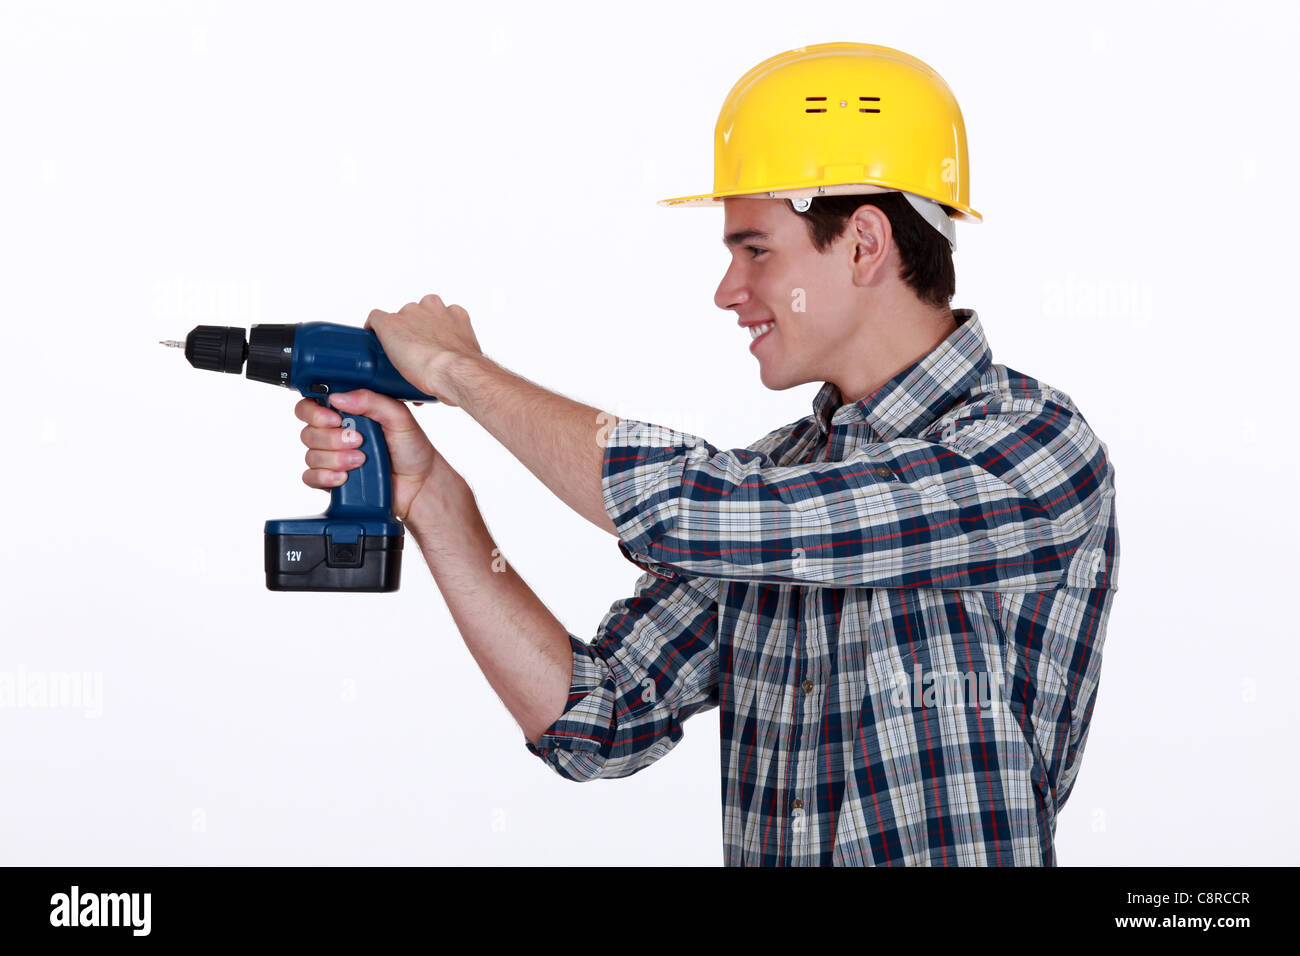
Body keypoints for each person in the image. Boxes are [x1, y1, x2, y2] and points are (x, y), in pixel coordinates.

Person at [294, 42, 1120, 866]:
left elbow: (702, 513)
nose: (728, 290)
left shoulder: (1033, 449)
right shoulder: (778, 478)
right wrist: (435, 498)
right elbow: (596, 715)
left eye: (756, 250)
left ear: (865, 243)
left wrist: (463, 374)